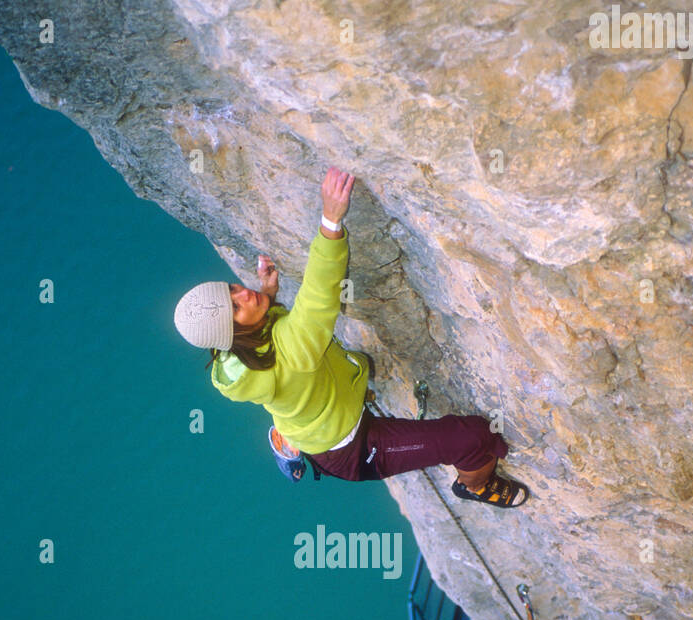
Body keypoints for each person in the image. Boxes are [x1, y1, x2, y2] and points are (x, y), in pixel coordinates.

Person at [173, 165, 530, 506]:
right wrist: (330, 221)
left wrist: (265, 294)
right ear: (234, 332)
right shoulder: (291, 350)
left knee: (313, 386)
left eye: (233, 289)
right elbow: (318, 295)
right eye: (237, 307)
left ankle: (292, 437)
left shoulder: (232, 349)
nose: (243, 295)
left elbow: (271, 335)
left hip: (321, 417)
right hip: (353, 450)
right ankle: (477, 486)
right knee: (473, 438)